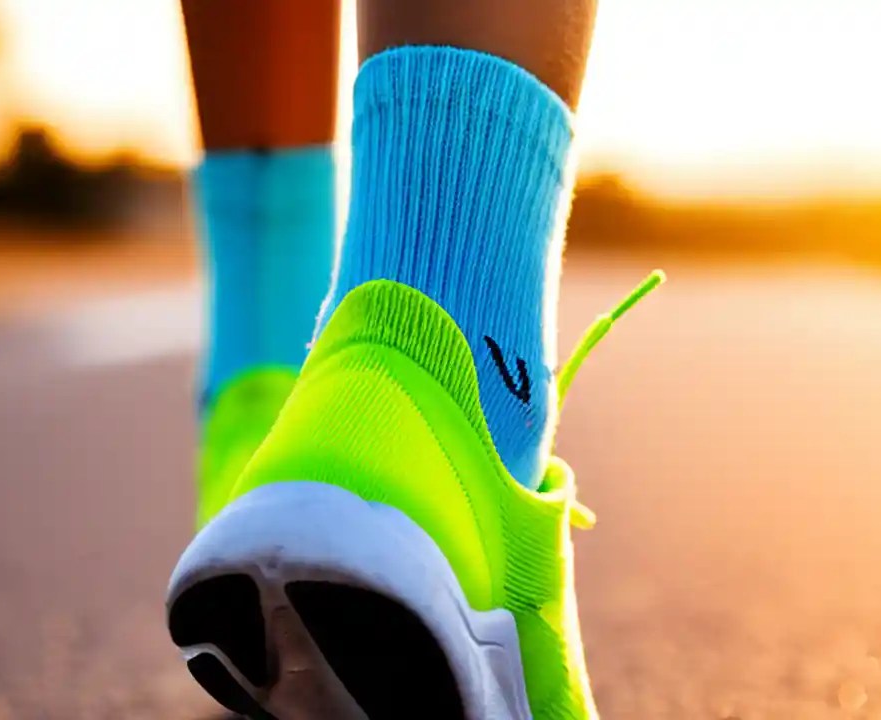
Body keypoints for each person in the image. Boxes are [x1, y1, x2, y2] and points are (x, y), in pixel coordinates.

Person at [165, 1, 657, 717]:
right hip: (432, 459)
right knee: (450, 384)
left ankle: (263, 413)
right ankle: (453, 380)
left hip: (279, 453)